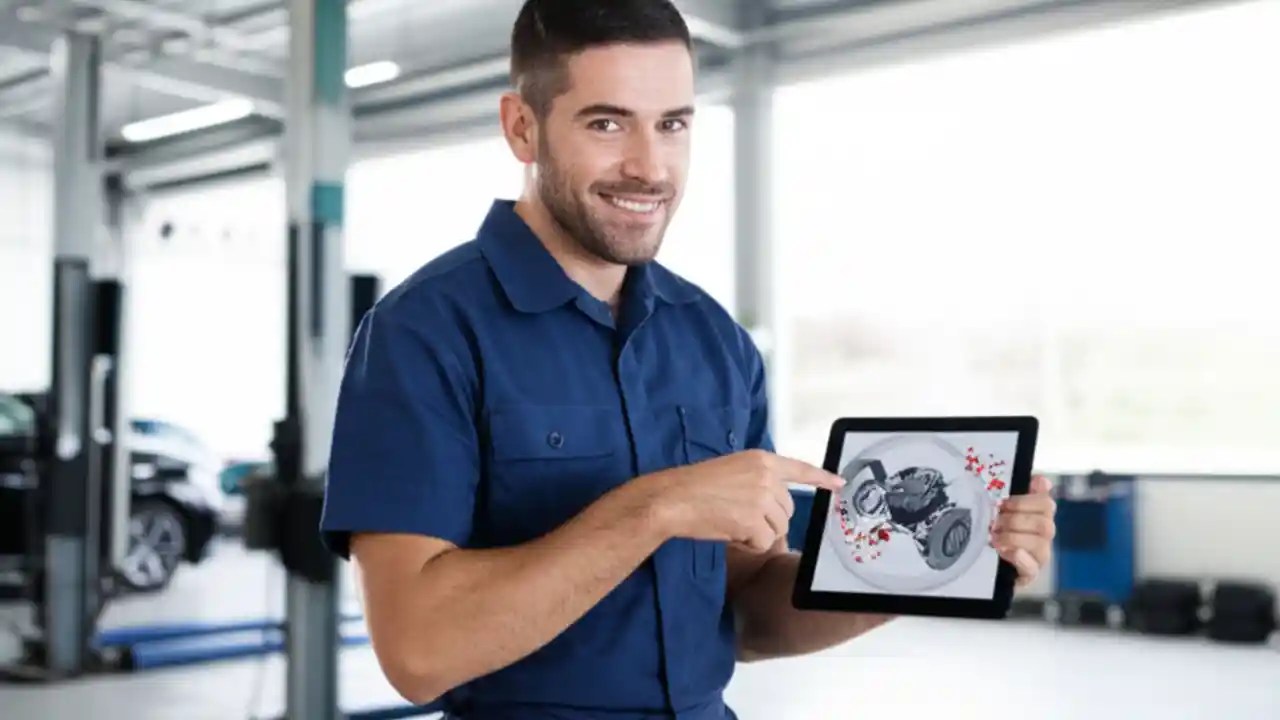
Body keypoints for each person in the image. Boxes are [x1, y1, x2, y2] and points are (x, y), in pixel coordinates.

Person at [319, 1, 1058, 718]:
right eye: (607, 123)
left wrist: (929, 572)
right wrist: (656, 508)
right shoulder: (423, 333)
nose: (649, 167)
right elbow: (417, 653)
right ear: (522, 127)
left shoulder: (715, 341)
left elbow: (745, 612)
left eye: (672, 125)